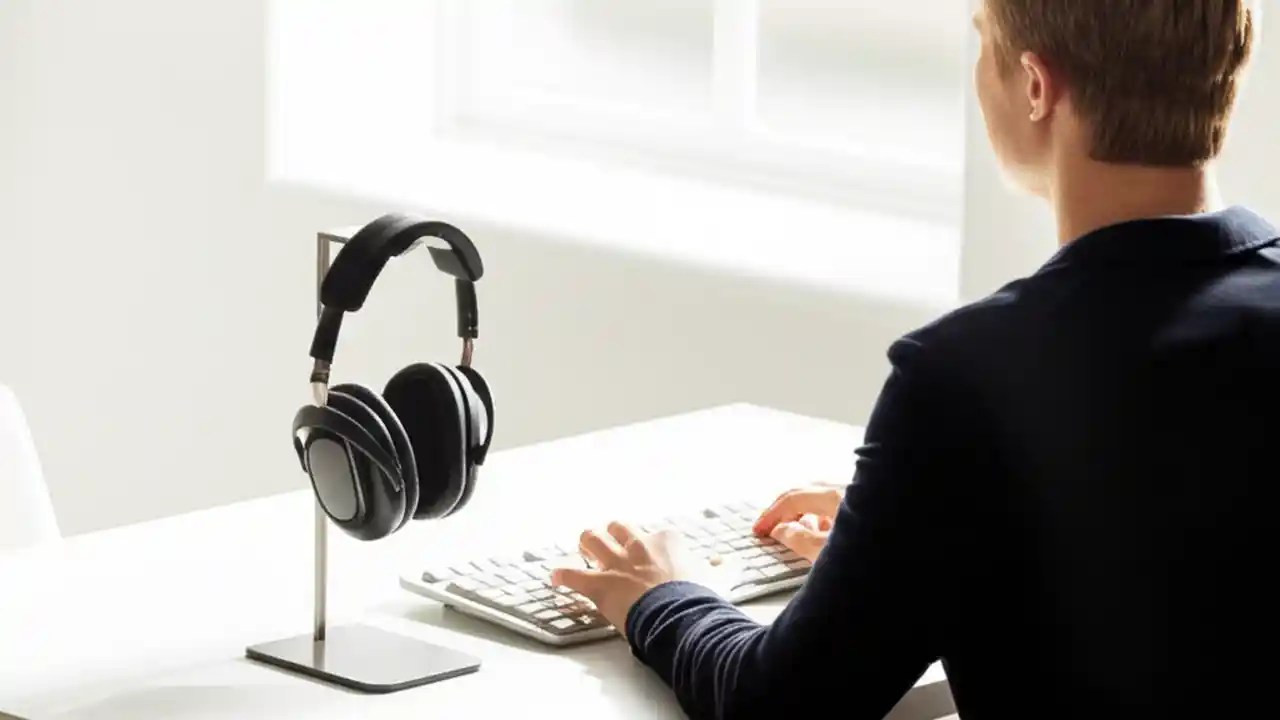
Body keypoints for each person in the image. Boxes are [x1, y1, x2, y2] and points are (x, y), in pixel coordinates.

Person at [553, 1, 1278, 717]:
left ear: (1034, 86)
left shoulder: (966, 377)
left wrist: (665, 594)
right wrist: (902, 545)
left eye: (982, 44)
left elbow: (776, 704)